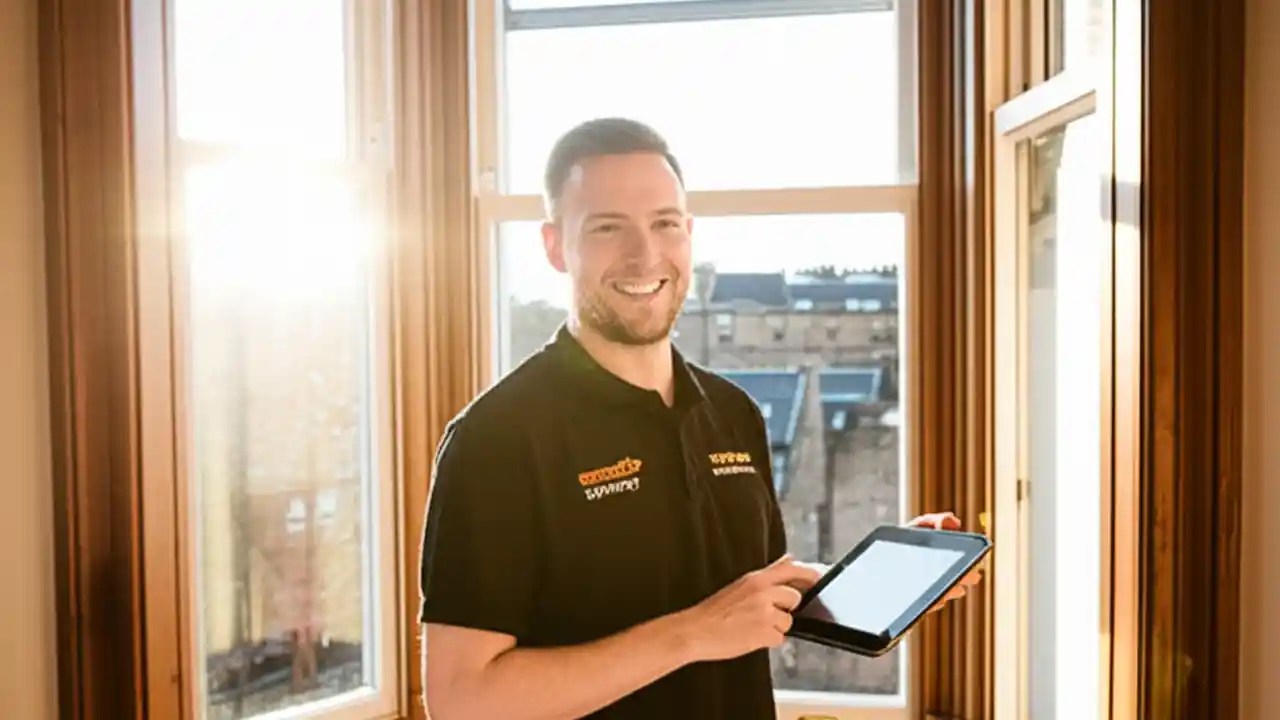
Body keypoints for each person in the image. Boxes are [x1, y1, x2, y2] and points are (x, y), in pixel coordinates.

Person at [417, 117, 979, 719]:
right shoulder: (496, 439)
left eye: (664, 224)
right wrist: (690, 634)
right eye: (609, 228)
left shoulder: (733, 414)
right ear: (555, 246)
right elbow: (461, 700)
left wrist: (874, 583)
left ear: (688, 232)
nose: (645, 254)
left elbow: (743, 602)